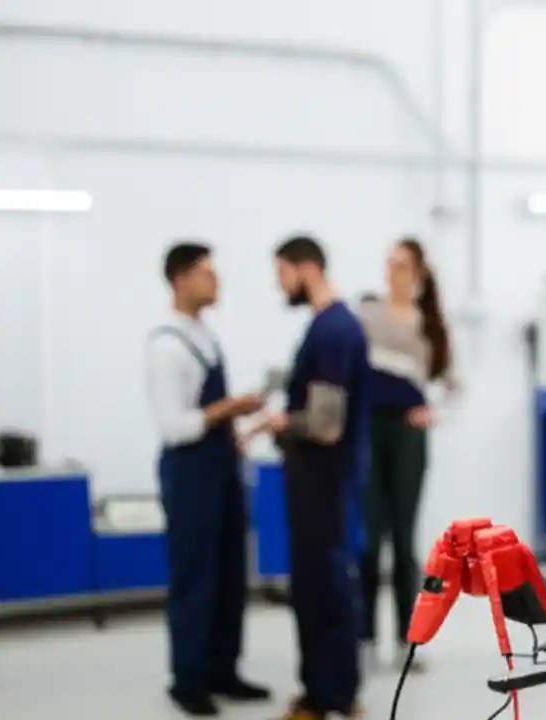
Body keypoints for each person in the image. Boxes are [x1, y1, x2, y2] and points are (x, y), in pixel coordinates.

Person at [247, 235, 370, 720]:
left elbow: (325, 423)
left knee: (327, 587)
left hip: (326, 484)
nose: (281, 285)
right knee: (315, 586)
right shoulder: (327, 329)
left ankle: (332, 695)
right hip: (318, 485)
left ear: (307, 268)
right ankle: (321, 689)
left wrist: (278, 421)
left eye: (282, 274)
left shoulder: (333, 330)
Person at [145, 242, 271, 717]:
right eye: (205, 273)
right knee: (195, 575)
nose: (215, 281)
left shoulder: (204, 335)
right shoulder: (166, 345)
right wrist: (231, 408)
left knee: (229, 574)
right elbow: (174, 426)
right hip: (190, 471)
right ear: (180, 279)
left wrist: (236, 426)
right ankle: (188, 679)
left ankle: (223, 669)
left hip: (220, 467)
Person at [356, 237, 454, 669]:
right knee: (368, 539)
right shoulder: (367, 315)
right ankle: (362, 638)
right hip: (368, 431)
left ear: (418, 274)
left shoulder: (428, 325)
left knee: (404, 540)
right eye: (388, 263)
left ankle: (404, 639)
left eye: (401, 265)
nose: (392, 272)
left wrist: (432, 412)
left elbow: (453, 383)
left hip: (408, 437)